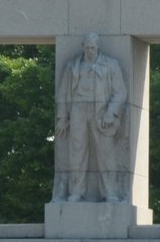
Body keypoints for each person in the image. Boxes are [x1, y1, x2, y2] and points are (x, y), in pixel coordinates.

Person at [55, 32, 128, 202]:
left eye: (93, 47)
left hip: (101, 111)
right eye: (87, 48)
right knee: (77, 152)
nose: (90, 51)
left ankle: (110, 192)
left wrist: (111, 112)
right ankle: (76, 192)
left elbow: (120, 92)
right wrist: (62, 118)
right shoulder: (73, 66)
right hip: (78, 109)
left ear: (98, 46)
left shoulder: (110, 65)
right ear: (83, 47)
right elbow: (63, 94)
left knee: (106, 153)